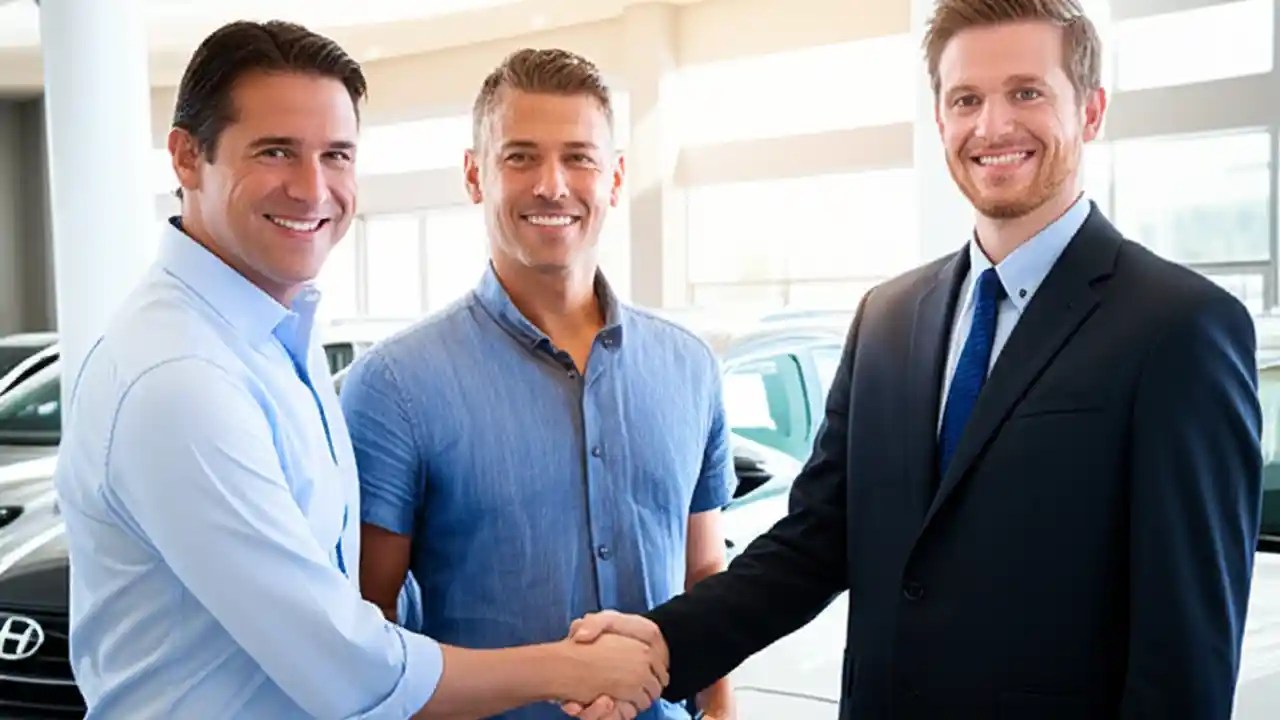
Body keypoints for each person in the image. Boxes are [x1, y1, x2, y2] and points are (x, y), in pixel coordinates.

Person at [564, 0, 1265, 718]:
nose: (992, 126)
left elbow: (1184, 654)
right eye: (966, 99)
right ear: (940, 121)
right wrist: (663, 643)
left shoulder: (1180, 328)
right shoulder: (888, 318)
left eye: (1026, 92)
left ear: (1090, 111)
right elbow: (814, 543)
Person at [53, 21, 668, 720]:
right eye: (276, 151)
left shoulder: (270, 335)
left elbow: (356, 595)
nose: (313, 189)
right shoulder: (179, 379)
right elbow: (346, 664)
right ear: (187, 159)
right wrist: (570, 666)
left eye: (337, 155)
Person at [338, 48, 736, 720]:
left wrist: (722, 712)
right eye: (520, 156)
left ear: (614, 177)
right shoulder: (393, 386)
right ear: (474, 176)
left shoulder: (690, 368)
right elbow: (367, 628)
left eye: (579, 157)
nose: (553, 185)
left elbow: (703, 574)